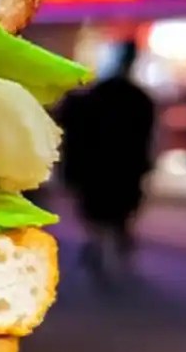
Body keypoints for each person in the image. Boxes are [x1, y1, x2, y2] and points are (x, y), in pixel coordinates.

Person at [58, 39, 156, 291]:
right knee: (114, 212)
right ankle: (105, 248)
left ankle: (100, 249)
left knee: (105, 213)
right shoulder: (137, 98)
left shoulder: (101, 95)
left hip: (103, 166)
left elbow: (75, 130)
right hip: (119, 166)